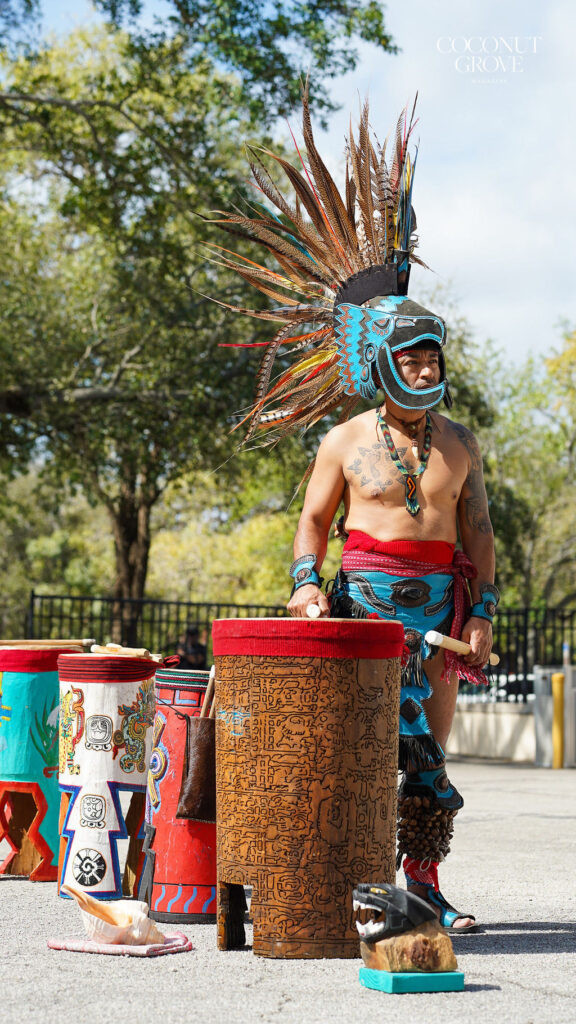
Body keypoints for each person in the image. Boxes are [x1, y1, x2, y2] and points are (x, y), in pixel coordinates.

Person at [208, 91, 498, 932]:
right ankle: (359, 884)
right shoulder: (342, 441)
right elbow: (311, 523)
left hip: (443, 616)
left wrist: (482, 612)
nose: (426, 367)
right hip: (364, 611)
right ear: (381, 362)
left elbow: (479, 532)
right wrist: (306, 585)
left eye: (433, 354)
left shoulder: (461, 443)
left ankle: (423, 885)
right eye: (412, 355)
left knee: (429, 752)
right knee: (365, 754)